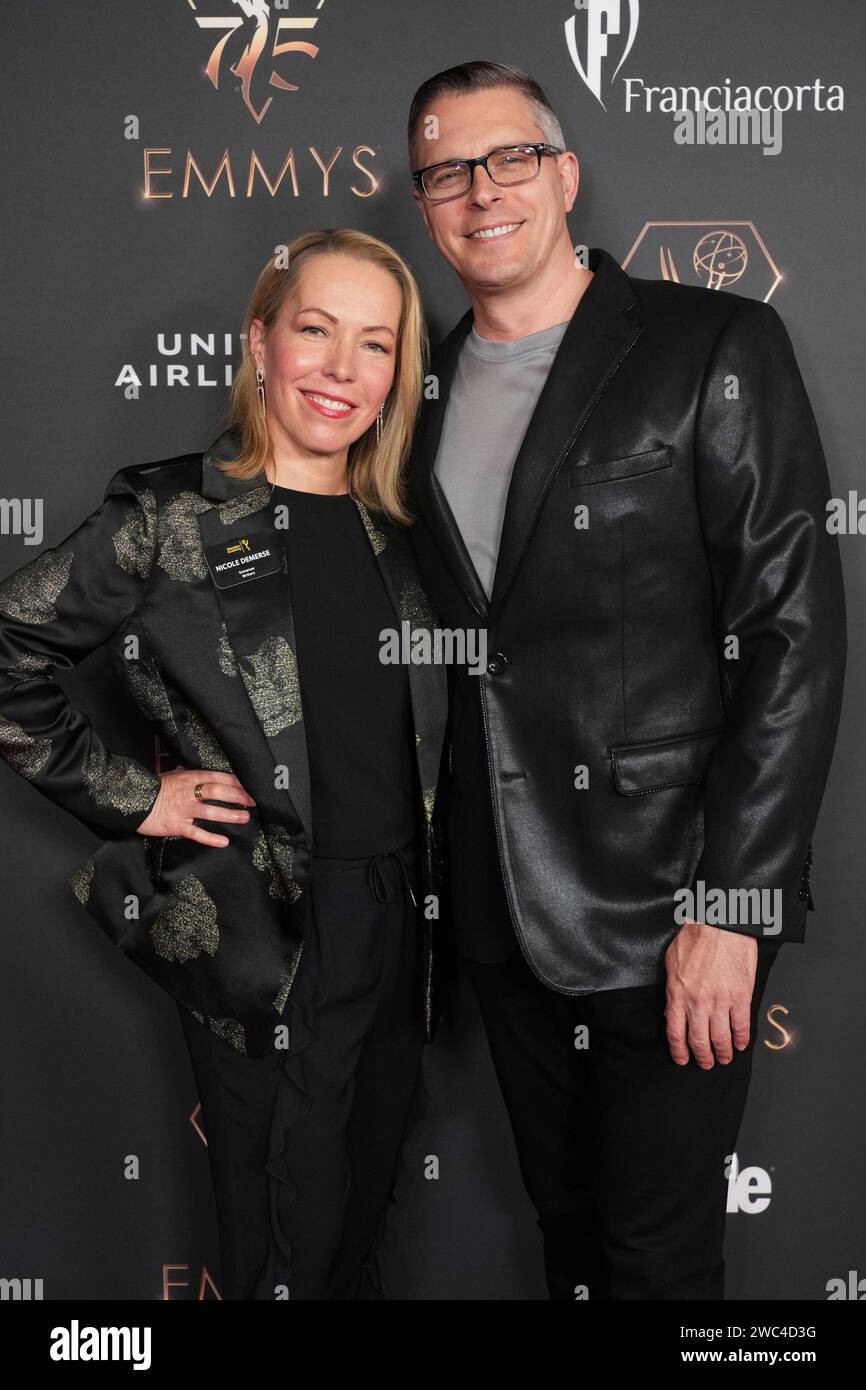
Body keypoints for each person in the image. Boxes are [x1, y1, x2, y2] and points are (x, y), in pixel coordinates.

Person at [404, 61, 846, 1300]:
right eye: (445, 170)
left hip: (672, 904)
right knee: (573, 1247)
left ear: (562, 175)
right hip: (499, 902)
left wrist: (734, 903)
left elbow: (789, 633)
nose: (478, 190)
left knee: (656, 1263)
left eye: (506, 159)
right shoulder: (413, 392)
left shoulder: (712, 341)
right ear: (424, 204)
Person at [0, 228, 448, 1300]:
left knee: (364, 1222)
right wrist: (135, 795)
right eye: (315, 331)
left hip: (406, 923)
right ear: (260, 343)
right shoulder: (171, 518)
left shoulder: (407, 529)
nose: (342, 370)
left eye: (375, 345)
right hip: (272, 928)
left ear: (400, 374)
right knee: (284, 1239)